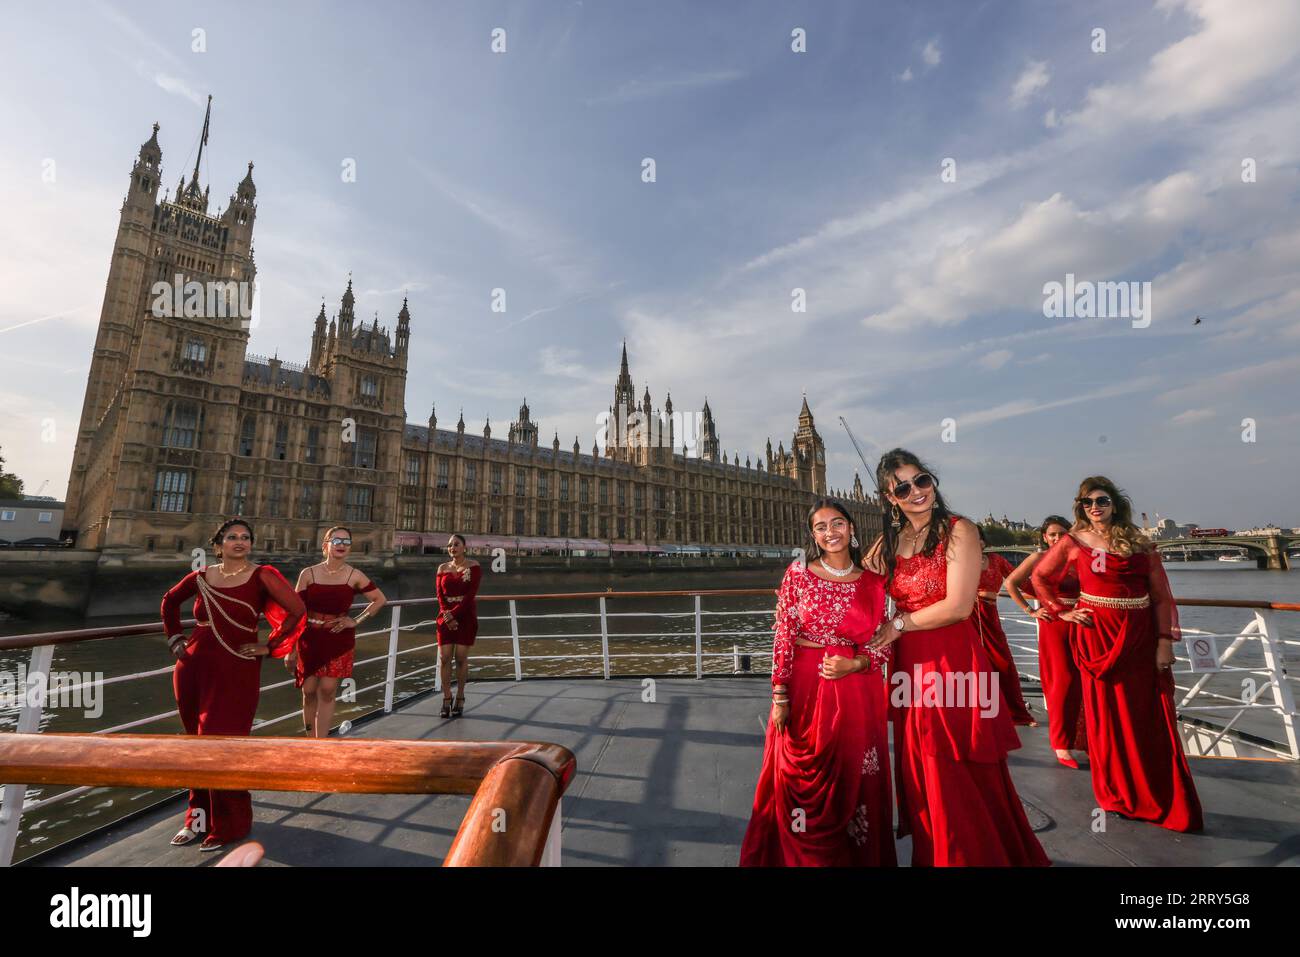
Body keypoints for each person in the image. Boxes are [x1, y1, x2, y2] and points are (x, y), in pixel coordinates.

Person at [866, 449, 1049, 867]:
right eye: (903, 486)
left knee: (955, 764)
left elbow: (959, 606)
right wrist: (802, 597)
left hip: (952, 660)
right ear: (889, 497)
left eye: (922, 480)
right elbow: (858, 584)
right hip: (909, 665)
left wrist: (898, 625)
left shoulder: (958, 530)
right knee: (924, 768)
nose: (916, 491)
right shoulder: (891, 541)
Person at [1032, 477, 1203, 831]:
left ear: (1115, 504)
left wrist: (1164, 641)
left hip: (1139, 636)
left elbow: (1160, 597)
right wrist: (1061, 612)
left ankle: (1156, 790)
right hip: (1096, 636)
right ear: (1080, 508)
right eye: (1087, 503)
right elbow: (1039, 577)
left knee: (1146, 715)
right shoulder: (1073, 541)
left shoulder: (1139, 543)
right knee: (1106, 717)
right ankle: (1116, 792)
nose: (1094, 507)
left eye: (1101, 500)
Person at [740, 499, 896, 867]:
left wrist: (856, 662)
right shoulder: (798, 574)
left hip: (857, 688)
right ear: (813, 535)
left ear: (852, 528)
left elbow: (884, 644)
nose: (831, 532)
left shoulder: (875, 584)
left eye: (838, 523)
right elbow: (784, 635)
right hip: (807, 686)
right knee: (800, 777)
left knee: (855, 775)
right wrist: (779, 693)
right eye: (821, 527)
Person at [161, 518, 305, 851]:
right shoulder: (201, 576)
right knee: (195, 745)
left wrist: (270, 646)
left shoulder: (262, 575)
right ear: (218, 545)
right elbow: (169, 601)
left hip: (237, 665)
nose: (239, 542)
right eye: (232, 537)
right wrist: (174, 638)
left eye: (245, 537)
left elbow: (297, 610)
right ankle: (196, 820)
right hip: (193, 664)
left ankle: (230, 824)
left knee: (221, 743)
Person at [289, 526, 387, 737]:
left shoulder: (354, 575)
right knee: (308, 691)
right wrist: (291, 648)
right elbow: (296, 611)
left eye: (346, 542)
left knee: (327, 691)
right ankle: (309, 739)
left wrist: (356, 620)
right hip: (309, 638)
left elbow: (380, 600)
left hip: (338, 637)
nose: (342, 545)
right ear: (326, 545)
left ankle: (320, 741)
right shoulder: (308, 574)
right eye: (337, 541)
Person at [1007, 516, 1087, 768]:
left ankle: (1086, 740)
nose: (1056, 538)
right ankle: (1062, 745)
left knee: (1085, 680)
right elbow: (1011, 583)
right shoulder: (1038, 558)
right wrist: (1030, 611)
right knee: (1062, 680)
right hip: (1054, 622)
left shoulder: (1078, 556)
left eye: (1061, 533)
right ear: (1044, 537)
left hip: (1082, 620)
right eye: (1052, 534)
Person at [971, 526, 1035, 726]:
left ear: (984, 541)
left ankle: (1018, 713)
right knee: (973, 665)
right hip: (967, 614)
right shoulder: (958, 562)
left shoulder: (997, 560)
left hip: (989, 614)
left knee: (1003, 662)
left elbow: (1021, 583)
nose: (975, 543)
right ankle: (979, 712)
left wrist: (1050, 596)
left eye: (978, 538)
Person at [436, 534, 482, 718]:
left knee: (461, 658)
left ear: (464, 547)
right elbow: (440, 595)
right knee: (444, 658)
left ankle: (460, 696)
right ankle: (447, 698)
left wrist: (454, 614)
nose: (452, 547)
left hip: (466, 616)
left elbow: (471, 594)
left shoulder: (474, 566)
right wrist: (448, 616)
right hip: (445, 617)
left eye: (456, 544)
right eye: (449, 545)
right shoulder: (442, 568)